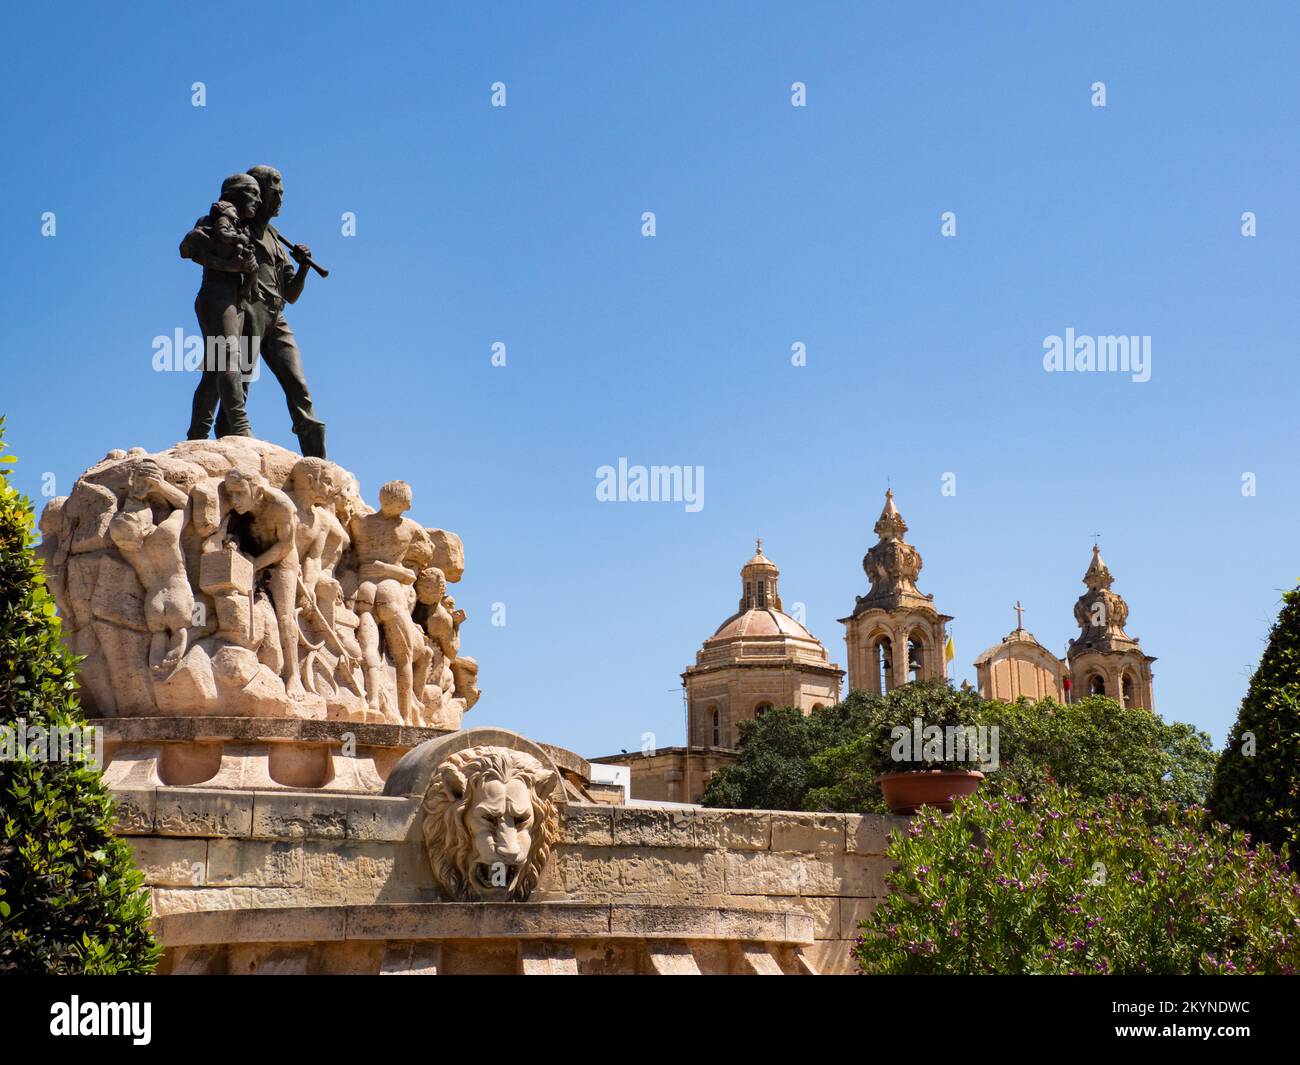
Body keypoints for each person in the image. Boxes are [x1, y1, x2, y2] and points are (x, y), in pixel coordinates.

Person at [181, 173, 262, 441]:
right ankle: (240, 426)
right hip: (216, 297)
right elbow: (187, 249)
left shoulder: (243, 229)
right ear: (232, 195)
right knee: (229, 359)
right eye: (252, 193)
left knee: (214, 369)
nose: (258, 200)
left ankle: (197, 434)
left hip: (235, 300)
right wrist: (233, 266)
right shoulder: (210, 223)